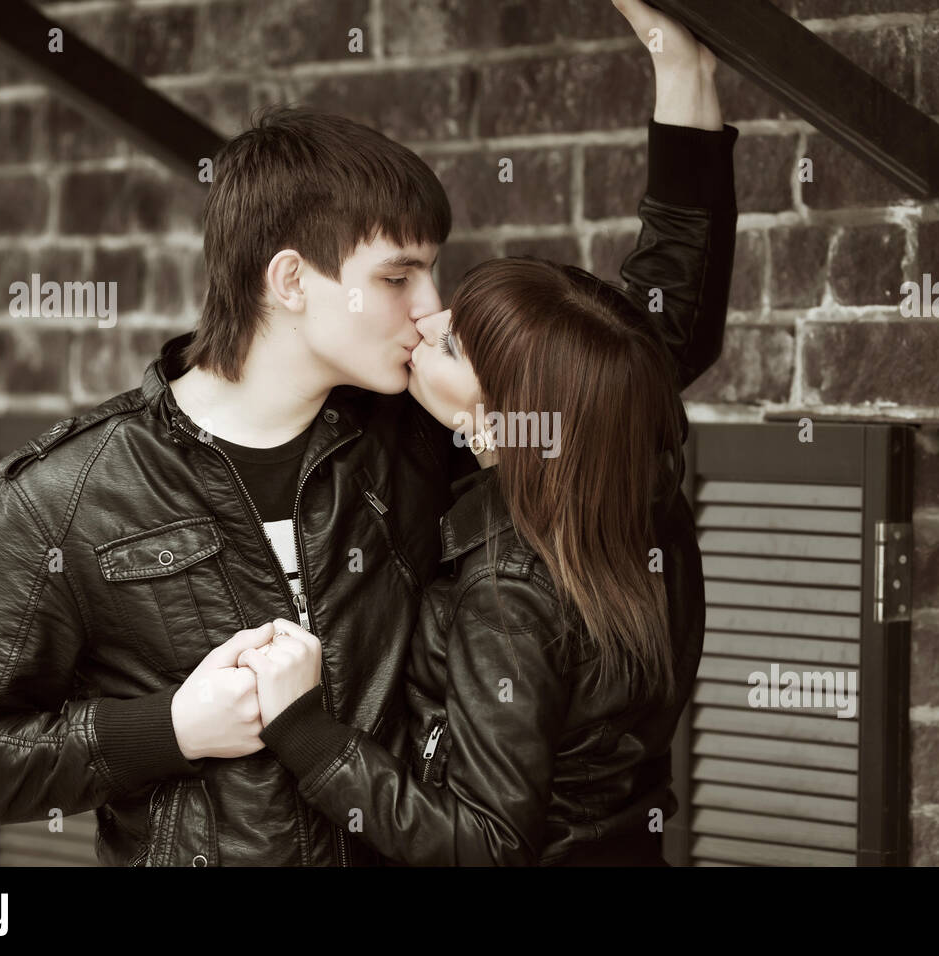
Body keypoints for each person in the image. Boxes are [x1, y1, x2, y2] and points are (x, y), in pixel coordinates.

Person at [0, 0, 735, 866]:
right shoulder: (68, 496)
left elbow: (636, 359)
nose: (428, 308)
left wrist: (683, 73)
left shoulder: (414, 436)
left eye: (433, 271)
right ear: (292, 281)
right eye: (398, 275)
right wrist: (170, 728)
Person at [235, 0, 737, 866]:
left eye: (455, 343)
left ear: (504, 417)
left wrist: (304, 732)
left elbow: (486, 843)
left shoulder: (509, 591)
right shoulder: (618, 453)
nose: (427, 321)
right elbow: (671, 302)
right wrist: (680, 66)